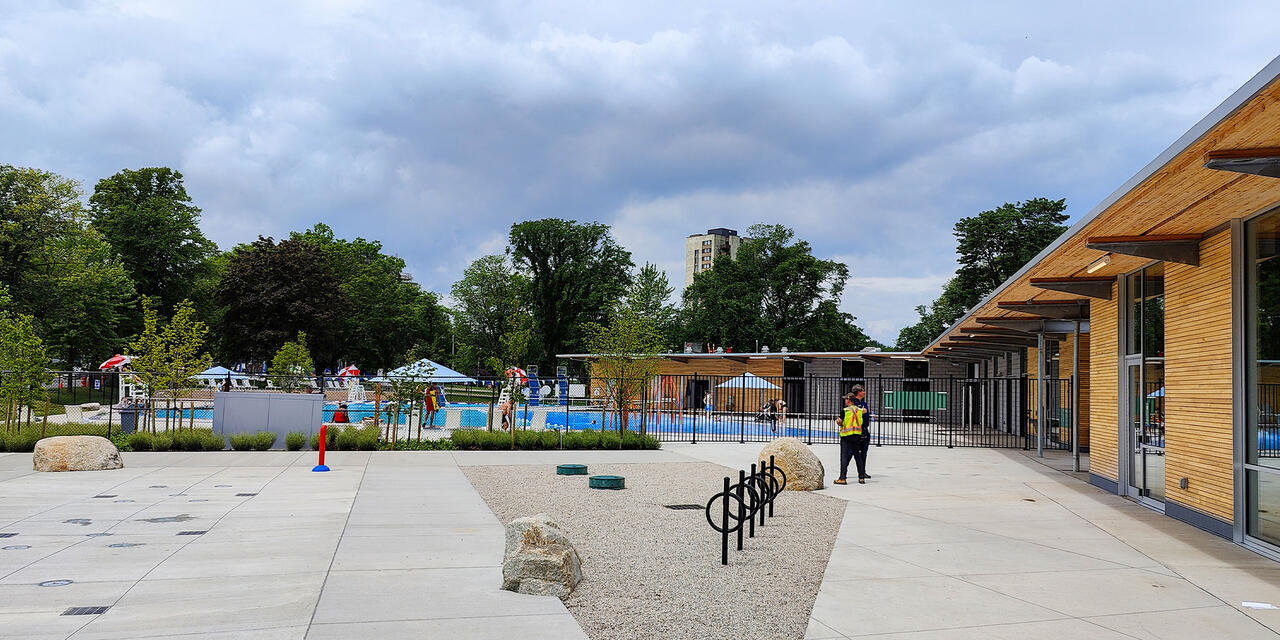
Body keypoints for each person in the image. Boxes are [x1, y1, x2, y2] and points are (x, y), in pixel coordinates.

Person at [833, 390, 867, 484]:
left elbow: (840, 422)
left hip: (846, 436)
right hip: (856, 435)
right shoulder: (858, 410)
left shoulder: (845, 410)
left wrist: (838, 422)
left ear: (849, 400)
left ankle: (842, 478)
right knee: (858, 456)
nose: (845, 401)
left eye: (846, 399)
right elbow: (862, 416)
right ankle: (861, 477)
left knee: (844, 456)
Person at [851, 385, 872, 481]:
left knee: (864, 452)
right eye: (863, 391)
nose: (864, 392)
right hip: (857, 431)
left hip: (865, 429)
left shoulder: (863, 402)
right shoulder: (853, 402)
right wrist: (861, 412)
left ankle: (862, 472)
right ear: (858, 392)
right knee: (852, 453)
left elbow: (866, 413)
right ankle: (844, 473)